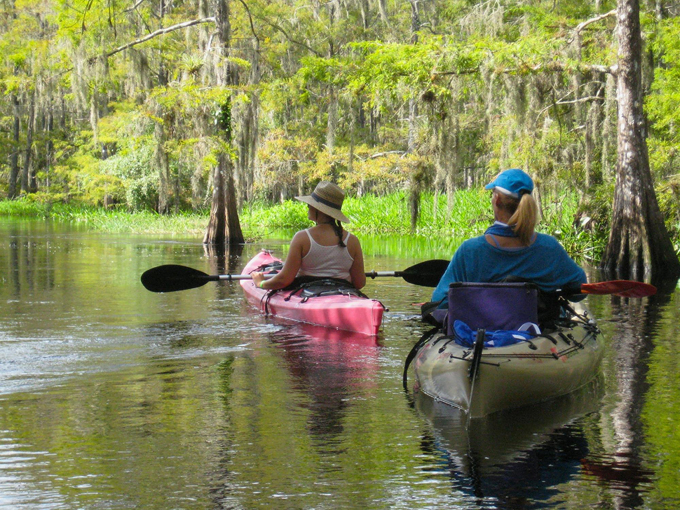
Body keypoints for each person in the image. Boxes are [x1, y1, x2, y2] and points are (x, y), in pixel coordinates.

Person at [431, 168, 587, 306]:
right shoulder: (549, 248)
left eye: (492, 195)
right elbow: (580, 290)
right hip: (537, 331)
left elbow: (439, 302)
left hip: (482, 332)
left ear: (497, 199)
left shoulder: (470, 251)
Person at [251, 181, 366, 291]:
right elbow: (359, 283)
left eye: (309, 204)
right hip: (342, 293)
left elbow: (284, 280)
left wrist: (260, 283)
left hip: (308, 293)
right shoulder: (352, 241)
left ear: (318, 209)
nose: (307, 207)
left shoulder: (302, 238)